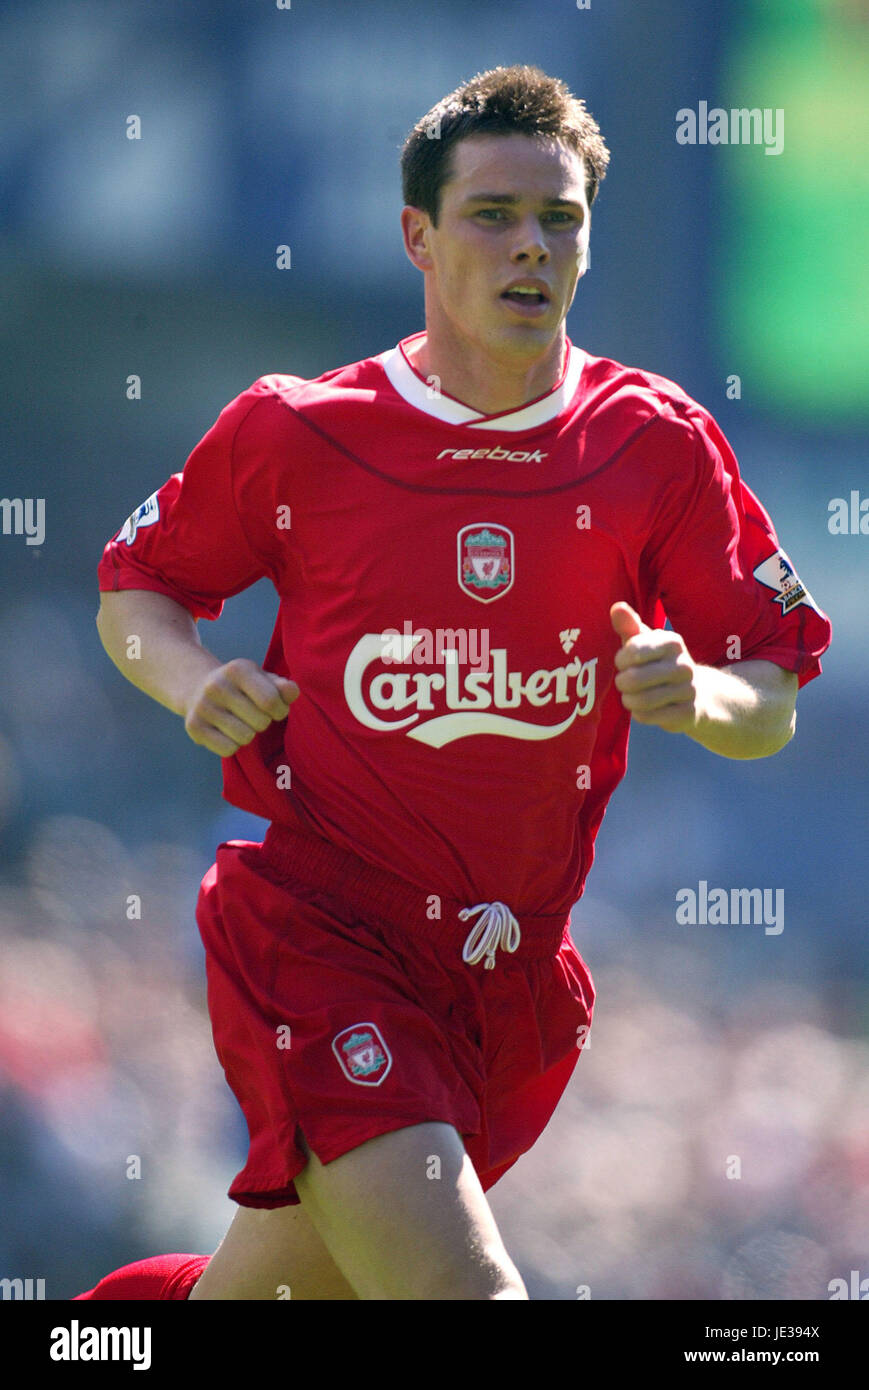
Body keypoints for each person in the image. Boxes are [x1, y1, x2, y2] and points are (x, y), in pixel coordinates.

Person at [76, 64, 831, 1302]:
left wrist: (697, 693)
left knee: (277, 1293)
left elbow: (772, 695)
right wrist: (190, 678)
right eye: (493, 214)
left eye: (561, 218)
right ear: (418, 236)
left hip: (509, 976)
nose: (532, 245)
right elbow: (136, 587)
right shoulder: (299, 431)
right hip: (319, 931)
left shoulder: (657, 445)